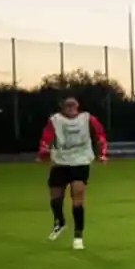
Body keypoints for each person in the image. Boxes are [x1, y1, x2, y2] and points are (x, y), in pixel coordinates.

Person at [38, 96, 107, 250]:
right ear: (62, 107)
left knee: (77, 197)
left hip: (80, 161)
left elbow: (100, 135)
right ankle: (60, 222)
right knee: (55, 197)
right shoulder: (55, 120)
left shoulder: (87, 118)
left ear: (77, 106)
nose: (70, 108)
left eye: (73, 105)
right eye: (67, 106)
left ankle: (78, 236)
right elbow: (46, 137)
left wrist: (102, 153)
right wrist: (43, 151)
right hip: (60, 161)